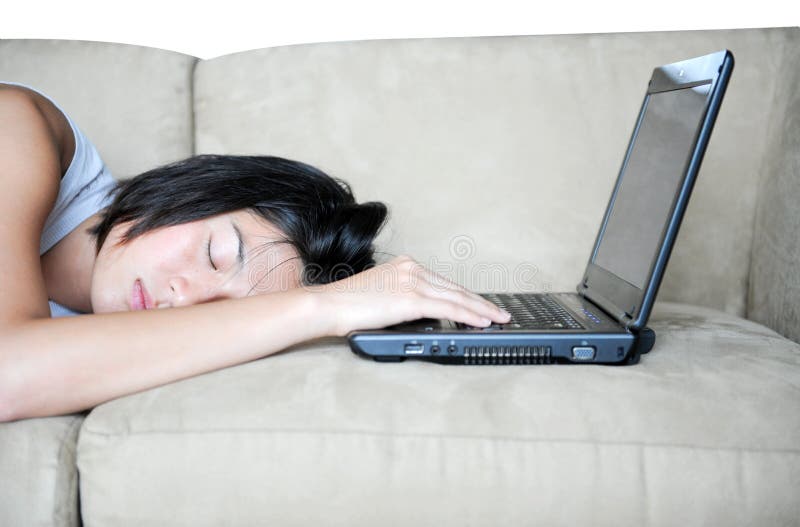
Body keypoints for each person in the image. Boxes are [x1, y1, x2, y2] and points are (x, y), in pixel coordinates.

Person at [0, 82, 511, 423]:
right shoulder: (17, 125)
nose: (184, 299)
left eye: (224, 311)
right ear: (197, 189)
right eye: (216, 254)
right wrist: (325, 306)